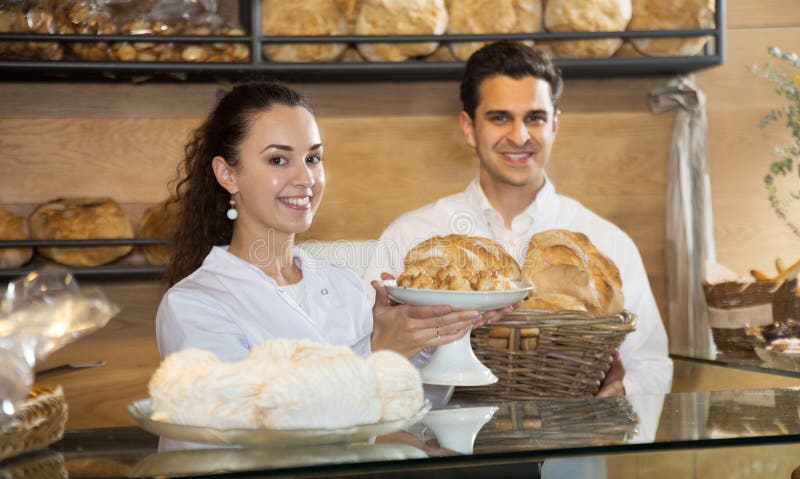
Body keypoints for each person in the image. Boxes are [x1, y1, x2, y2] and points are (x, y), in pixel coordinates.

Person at [364, 41, 673, 397]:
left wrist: (623, 391)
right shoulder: (410, 236)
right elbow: (364, 357)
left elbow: (651, 364)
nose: (519, 136)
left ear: (554, 125)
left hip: (568, 447)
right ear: (468, 127)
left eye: (534, 118)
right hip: (439, 446)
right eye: (500, 118)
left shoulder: (606, 242)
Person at [155, 81, 493, 363]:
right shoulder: (193, 306)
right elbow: (251, 423)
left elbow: (415, 406)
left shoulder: (346, 287)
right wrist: (379, 350)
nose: (305, 177)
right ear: (227, 174)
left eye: (313, 158)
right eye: (278, 159)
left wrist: (435, 328)